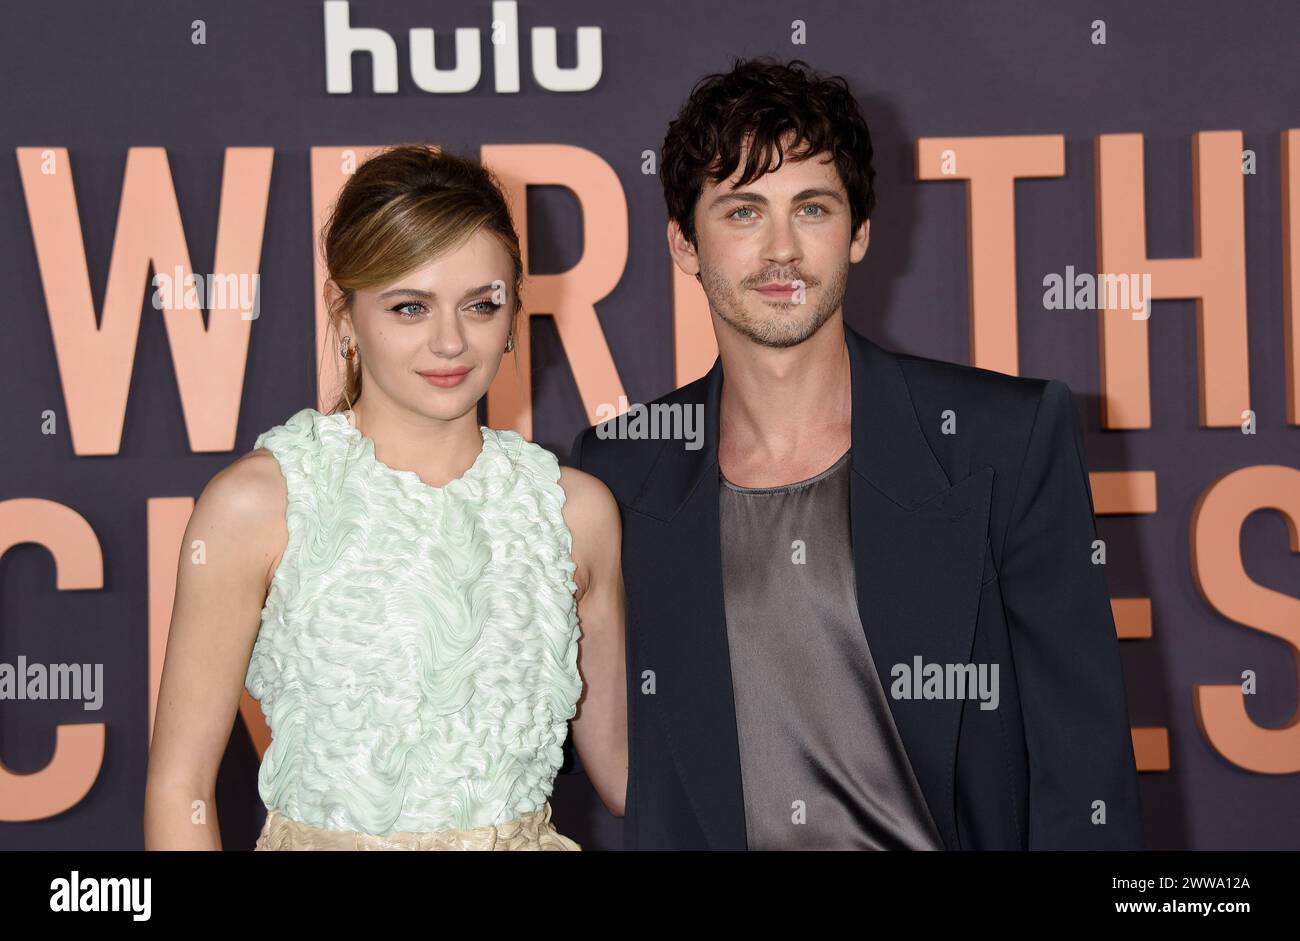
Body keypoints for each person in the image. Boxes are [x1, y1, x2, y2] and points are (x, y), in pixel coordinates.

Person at [571, 58, 1144, 850]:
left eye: (811, 207)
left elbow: (1084, 775)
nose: (781, 251)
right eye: (742, 212)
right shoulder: (620, 471)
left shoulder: (1003, 440)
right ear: (683, 242)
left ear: (860, 232)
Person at [144, 144, 627, 851]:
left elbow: (626, 773)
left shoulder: (574, 515)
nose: (451, 341)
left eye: (481, 305)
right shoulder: (257, 505)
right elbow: (179, 789)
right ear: (346, 314)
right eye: (410, 306)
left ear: (515, 312)